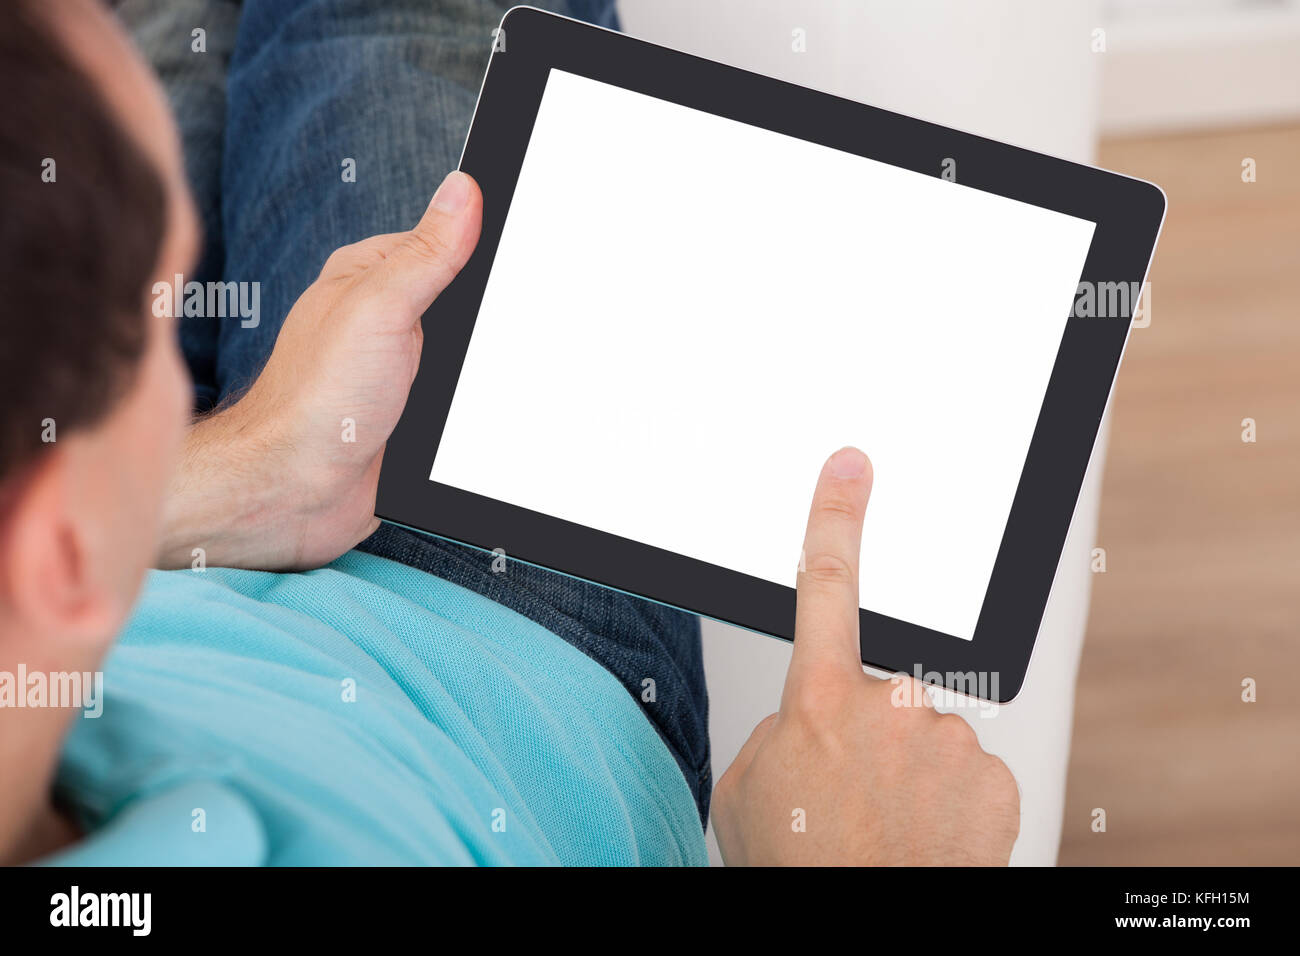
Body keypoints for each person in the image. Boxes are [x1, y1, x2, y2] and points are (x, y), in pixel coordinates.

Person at [0, 0, 1019, 866]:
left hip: (208, 534)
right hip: (477, 640)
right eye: (151, 326)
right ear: (62, 548)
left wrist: (233, 475)